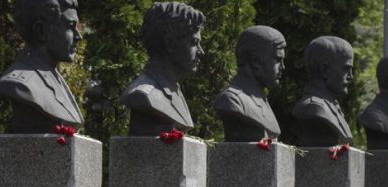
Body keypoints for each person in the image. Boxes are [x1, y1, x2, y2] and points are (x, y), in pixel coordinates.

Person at [0, 0, 84, 133]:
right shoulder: (19, 84)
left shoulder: (54, 77)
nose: (79, 36)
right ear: (41, 31)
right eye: (71, 26)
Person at [120, 2, 205, 136]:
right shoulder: (143, 94)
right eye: (194, 43)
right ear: (170, 43)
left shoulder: (174, 90)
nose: (201, 52)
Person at [212, 25, 285, 142]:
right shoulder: (231, 99)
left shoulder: (261, 100)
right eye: (277, 60)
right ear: (255, 60)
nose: (283, 67)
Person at [291, 36, 354, 147]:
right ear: (325, 70)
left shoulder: (331, 105)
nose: (350, 76)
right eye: (346, 69)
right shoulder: (312, 107)